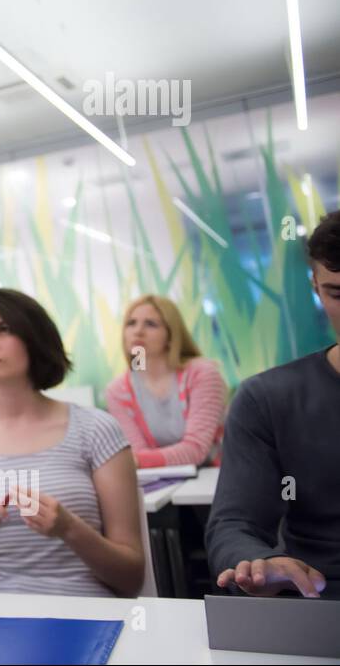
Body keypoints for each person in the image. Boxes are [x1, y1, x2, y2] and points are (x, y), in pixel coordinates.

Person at [0, 289, 144, 597]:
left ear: (34, 339)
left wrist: (68, 528)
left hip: (83, 612)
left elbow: (131, 578)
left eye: (3, 329)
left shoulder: (97, 429)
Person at [207, 210, 340, 598]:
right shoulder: (266, 399)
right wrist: (257, 563)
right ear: (315, 287)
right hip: (323, 595)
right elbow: (235, 523)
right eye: (338, 293)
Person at [105, 295, 227, 468]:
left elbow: (197, 449)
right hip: (160, 482)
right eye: (131, 323)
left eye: (151, 324)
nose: (138, 331)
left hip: (213, 475)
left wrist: (139, 460)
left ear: (171, 335)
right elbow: (137, 452)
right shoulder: (117, 390)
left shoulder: (202, 374)